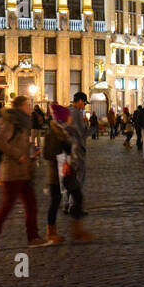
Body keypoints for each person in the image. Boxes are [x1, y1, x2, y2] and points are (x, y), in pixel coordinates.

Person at [0, 96, 46, 251]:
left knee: (32, 206)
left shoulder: (25, 123)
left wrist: (34, 151)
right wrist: (18, 155)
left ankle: (33, 238)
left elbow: (25, 143)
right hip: (12, 172)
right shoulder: (12, 122)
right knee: (7, 206)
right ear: (19, 107)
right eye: (27, 105)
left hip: (24, 172)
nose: (29, 107)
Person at [43, 103, 92, 244]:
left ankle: (77, 230)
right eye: (68, 116)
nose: (71, 118)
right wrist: (63, 160)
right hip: (55, 175)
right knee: (55, 202)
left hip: (67, 172)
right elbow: (48, 153)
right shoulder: (53, 133)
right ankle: (51, 233)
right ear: (64, 118)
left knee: (78, 196)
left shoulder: (66, 131)